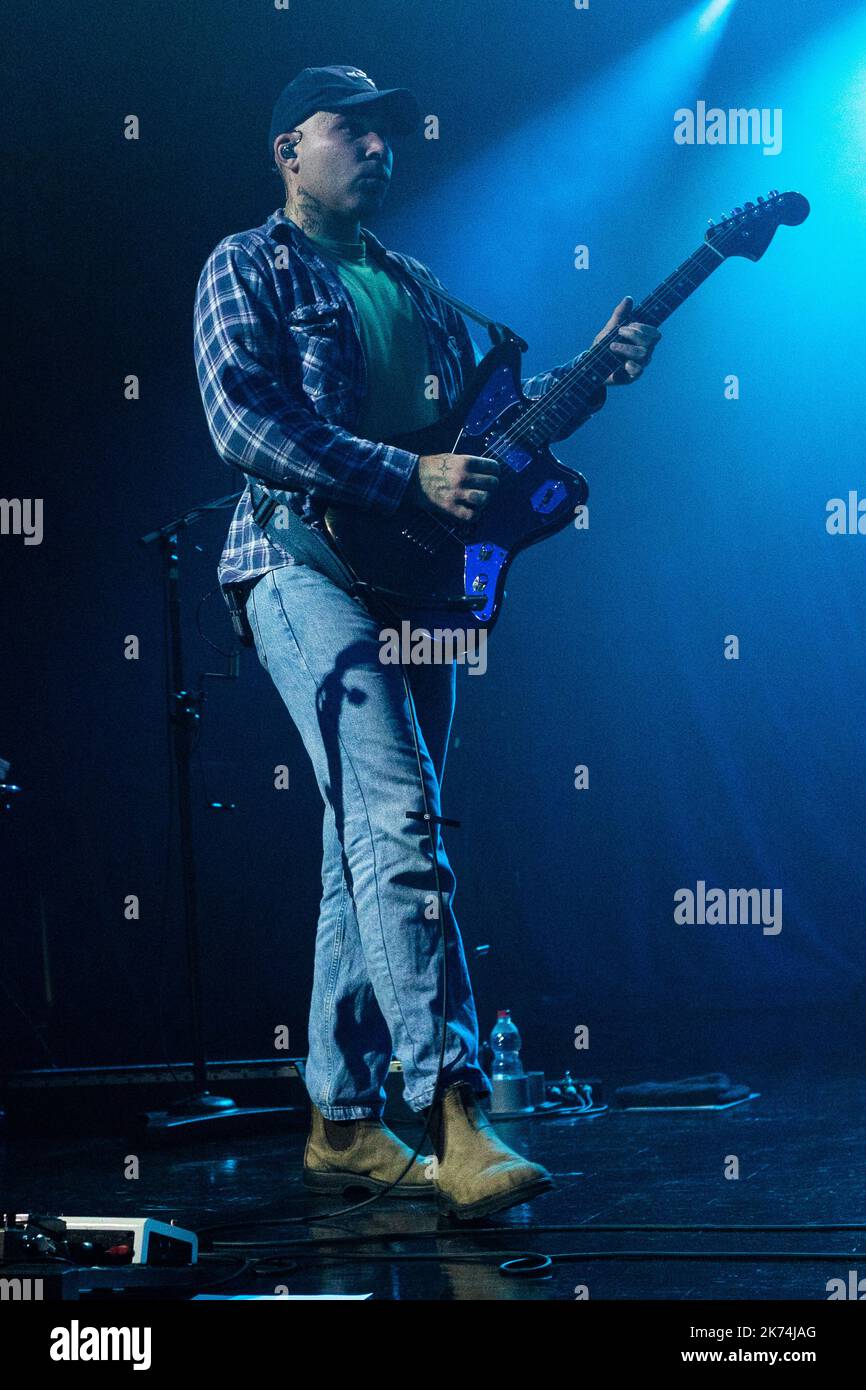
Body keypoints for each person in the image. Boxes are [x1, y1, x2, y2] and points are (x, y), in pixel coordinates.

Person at [193, 65, 660, 1219]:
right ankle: (451, 1111)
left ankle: (340, 1123)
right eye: (346, 130)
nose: (374, 148)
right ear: (285, 151)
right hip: (294, 568)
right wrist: (405, 472)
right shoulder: (244, 264)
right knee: (397, 815)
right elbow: (240, 418)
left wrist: (591, 378)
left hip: (414, 591)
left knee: (368, 840)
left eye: (385, 133)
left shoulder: (414, 283)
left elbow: (484, 442)